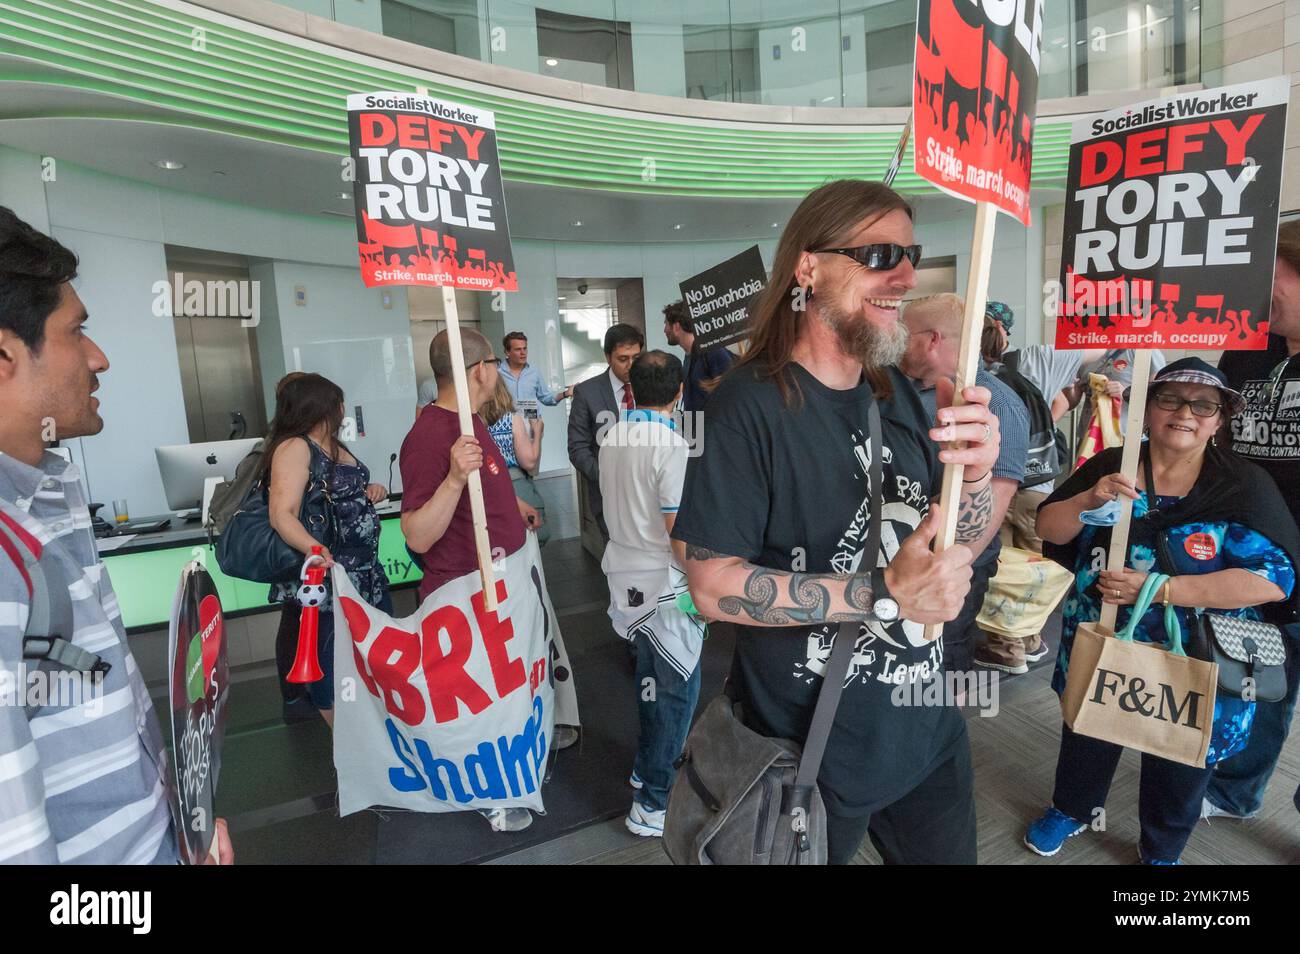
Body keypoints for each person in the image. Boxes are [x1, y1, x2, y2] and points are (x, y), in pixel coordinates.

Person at [672, 179, 1002, 865]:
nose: (906, 275)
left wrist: (973, 477)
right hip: (810, 756)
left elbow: (956, 543)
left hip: (928, 727)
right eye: (880, 254)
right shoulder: (744, 407)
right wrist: (884, 592)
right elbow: (710, 586)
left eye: (911, 254)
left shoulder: (897, 397)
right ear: (808, 268)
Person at [0, 207, 232, 863]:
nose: (98, 357)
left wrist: (179, 823)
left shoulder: (47, 492)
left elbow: (84, 690)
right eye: (77, 331)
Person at [1026, 358, 1300, 864]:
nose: (1185, 412)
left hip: (1197, 651)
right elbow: (1050, 529)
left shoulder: (1241, 484)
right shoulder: (1114, 463)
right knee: (1089, 727)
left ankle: (1162, 849)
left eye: (1203, 405)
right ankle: (1071, 808)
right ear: (1147, 409)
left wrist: (1160, 590)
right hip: (1104, 633)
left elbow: (1271, 579)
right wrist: (1090, 497)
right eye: (1169, 398)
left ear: (1220, 419)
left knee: (1181, 753)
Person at [398, 328, 543, 834]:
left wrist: (512, 505)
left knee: (507, 691)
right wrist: (455, 478)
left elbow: (481, 492)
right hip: (466, 597)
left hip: (502, 583)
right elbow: (416, 534)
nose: (498, 372)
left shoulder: (469, 422)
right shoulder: (428, 437)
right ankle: (488, 791)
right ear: (480, 369)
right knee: (480, 702)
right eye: (494, 365)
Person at [1203, 219, 1300, 822]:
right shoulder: (1246, 347)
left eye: (1271, 273)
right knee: (1262, 682)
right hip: (1253, 556)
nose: (1257, 288)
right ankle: (1236, 791)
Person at [598, 350, 702, 837]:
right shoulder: (671, 444)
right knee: (678, 688)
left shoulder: (613, 435)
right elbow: (676, 529)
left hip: (626, 578)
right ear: (680, 392)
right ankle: (653, 801)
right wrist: (702, 587)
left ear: (631, 389)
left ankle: (645, 766)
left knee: (649, 678)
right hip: (665, 585)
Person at [899, 295, 1028, 673]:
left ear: (932, 339)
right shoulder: (905, 392)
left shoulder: (996, 406)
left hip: (951, 569)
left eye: (902, 333)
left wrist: (946, 568)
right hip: (905, 564)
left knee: (944, 662)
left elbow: (994, 504)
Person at [263, 373, 390, 727]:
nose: (343, 408)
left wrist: (372, 490)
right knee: (332, 661)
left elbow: (340, 493)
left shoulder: (334, 444)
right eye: (339, 402)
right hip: (331, 576)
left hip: (364, 572)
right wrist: (315, 548)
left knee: (373, 655)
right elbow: (281, 514)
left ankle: (370, 732)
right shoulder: (295, 447)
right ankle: (344, 742)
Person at [567, 323, 644, 541]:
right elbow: (578, 448)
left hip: (647, 492)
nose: (631, 365)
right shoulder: (587, 392)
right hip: (609, 496)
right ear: (608, 357)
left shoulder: (649, 384)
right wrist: (607, 477)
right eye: (623, 359)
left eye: (636, 358)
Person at [481, 376, 548, 546]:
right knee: (531, 539)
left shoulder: (475, 422)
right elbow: (529, 461)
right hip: (515, 483)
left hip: (487, 486)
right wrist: (537, 432)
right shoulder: (511, 418)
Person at [1070, 347, 1166, 445]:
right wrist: (1070, 387)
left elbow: (1160, 395)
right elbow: (1071, 403)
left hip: (1125, 437)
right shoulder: (1086, 351)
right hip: (1089, 436)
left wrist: (1127, 393)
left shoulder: (1145, 349)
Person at [662, 300, 734, 413]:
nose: (665, 330)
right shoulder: (688, 358)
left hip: (713, 427)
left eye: (666, 324)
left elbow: (732, 391)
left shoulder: (713, 351)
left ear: (676, 327)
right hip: (697, 428)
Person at [500, 331, 572, 416]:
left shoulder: (533, 372)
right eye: (518, 349)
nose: (523, 353)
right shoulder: (497, 373)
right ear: (507, 352)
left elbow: (546, 398)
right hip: (507, 425)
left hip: (532, 424)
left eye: (525, 348)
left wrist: (565, 394)